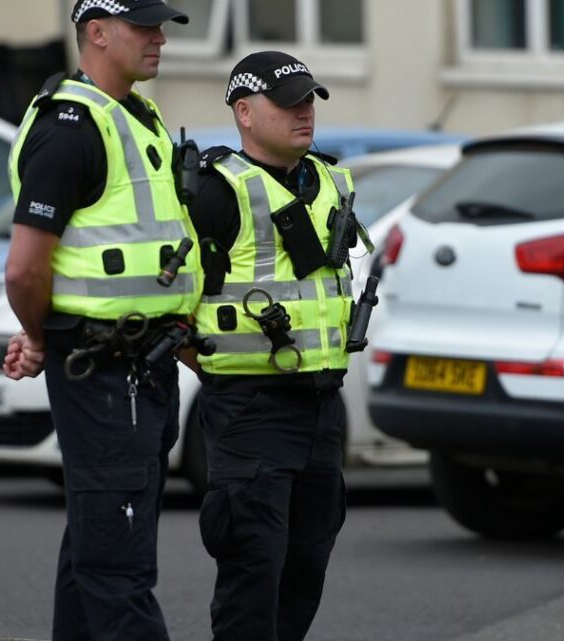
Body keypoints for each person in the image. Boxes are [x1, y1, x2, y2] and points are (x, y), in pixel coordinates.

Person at [1, 2, 201, 640]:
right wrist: (38, 335)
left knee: (97, 548)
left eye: (160, 26)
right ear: (96, 32)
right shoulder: (71, 127)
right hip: (103, 370)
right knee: (118, 567)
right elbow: (24, 270)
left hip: (144, 365)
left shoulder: (136, 116)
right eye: (144, 26)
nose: (159, 38)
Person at [184, 51, 365, 641]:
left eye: (308, 100)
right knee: (253, 566)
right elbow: (169, 296)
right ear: (243, 112)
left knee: (306, 563)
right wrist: (213, 360)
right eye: (288, 103)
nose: (303, 113)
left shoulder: (332, 181)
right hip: (250, 408)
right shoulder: (214, 192)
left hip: (321, 405)